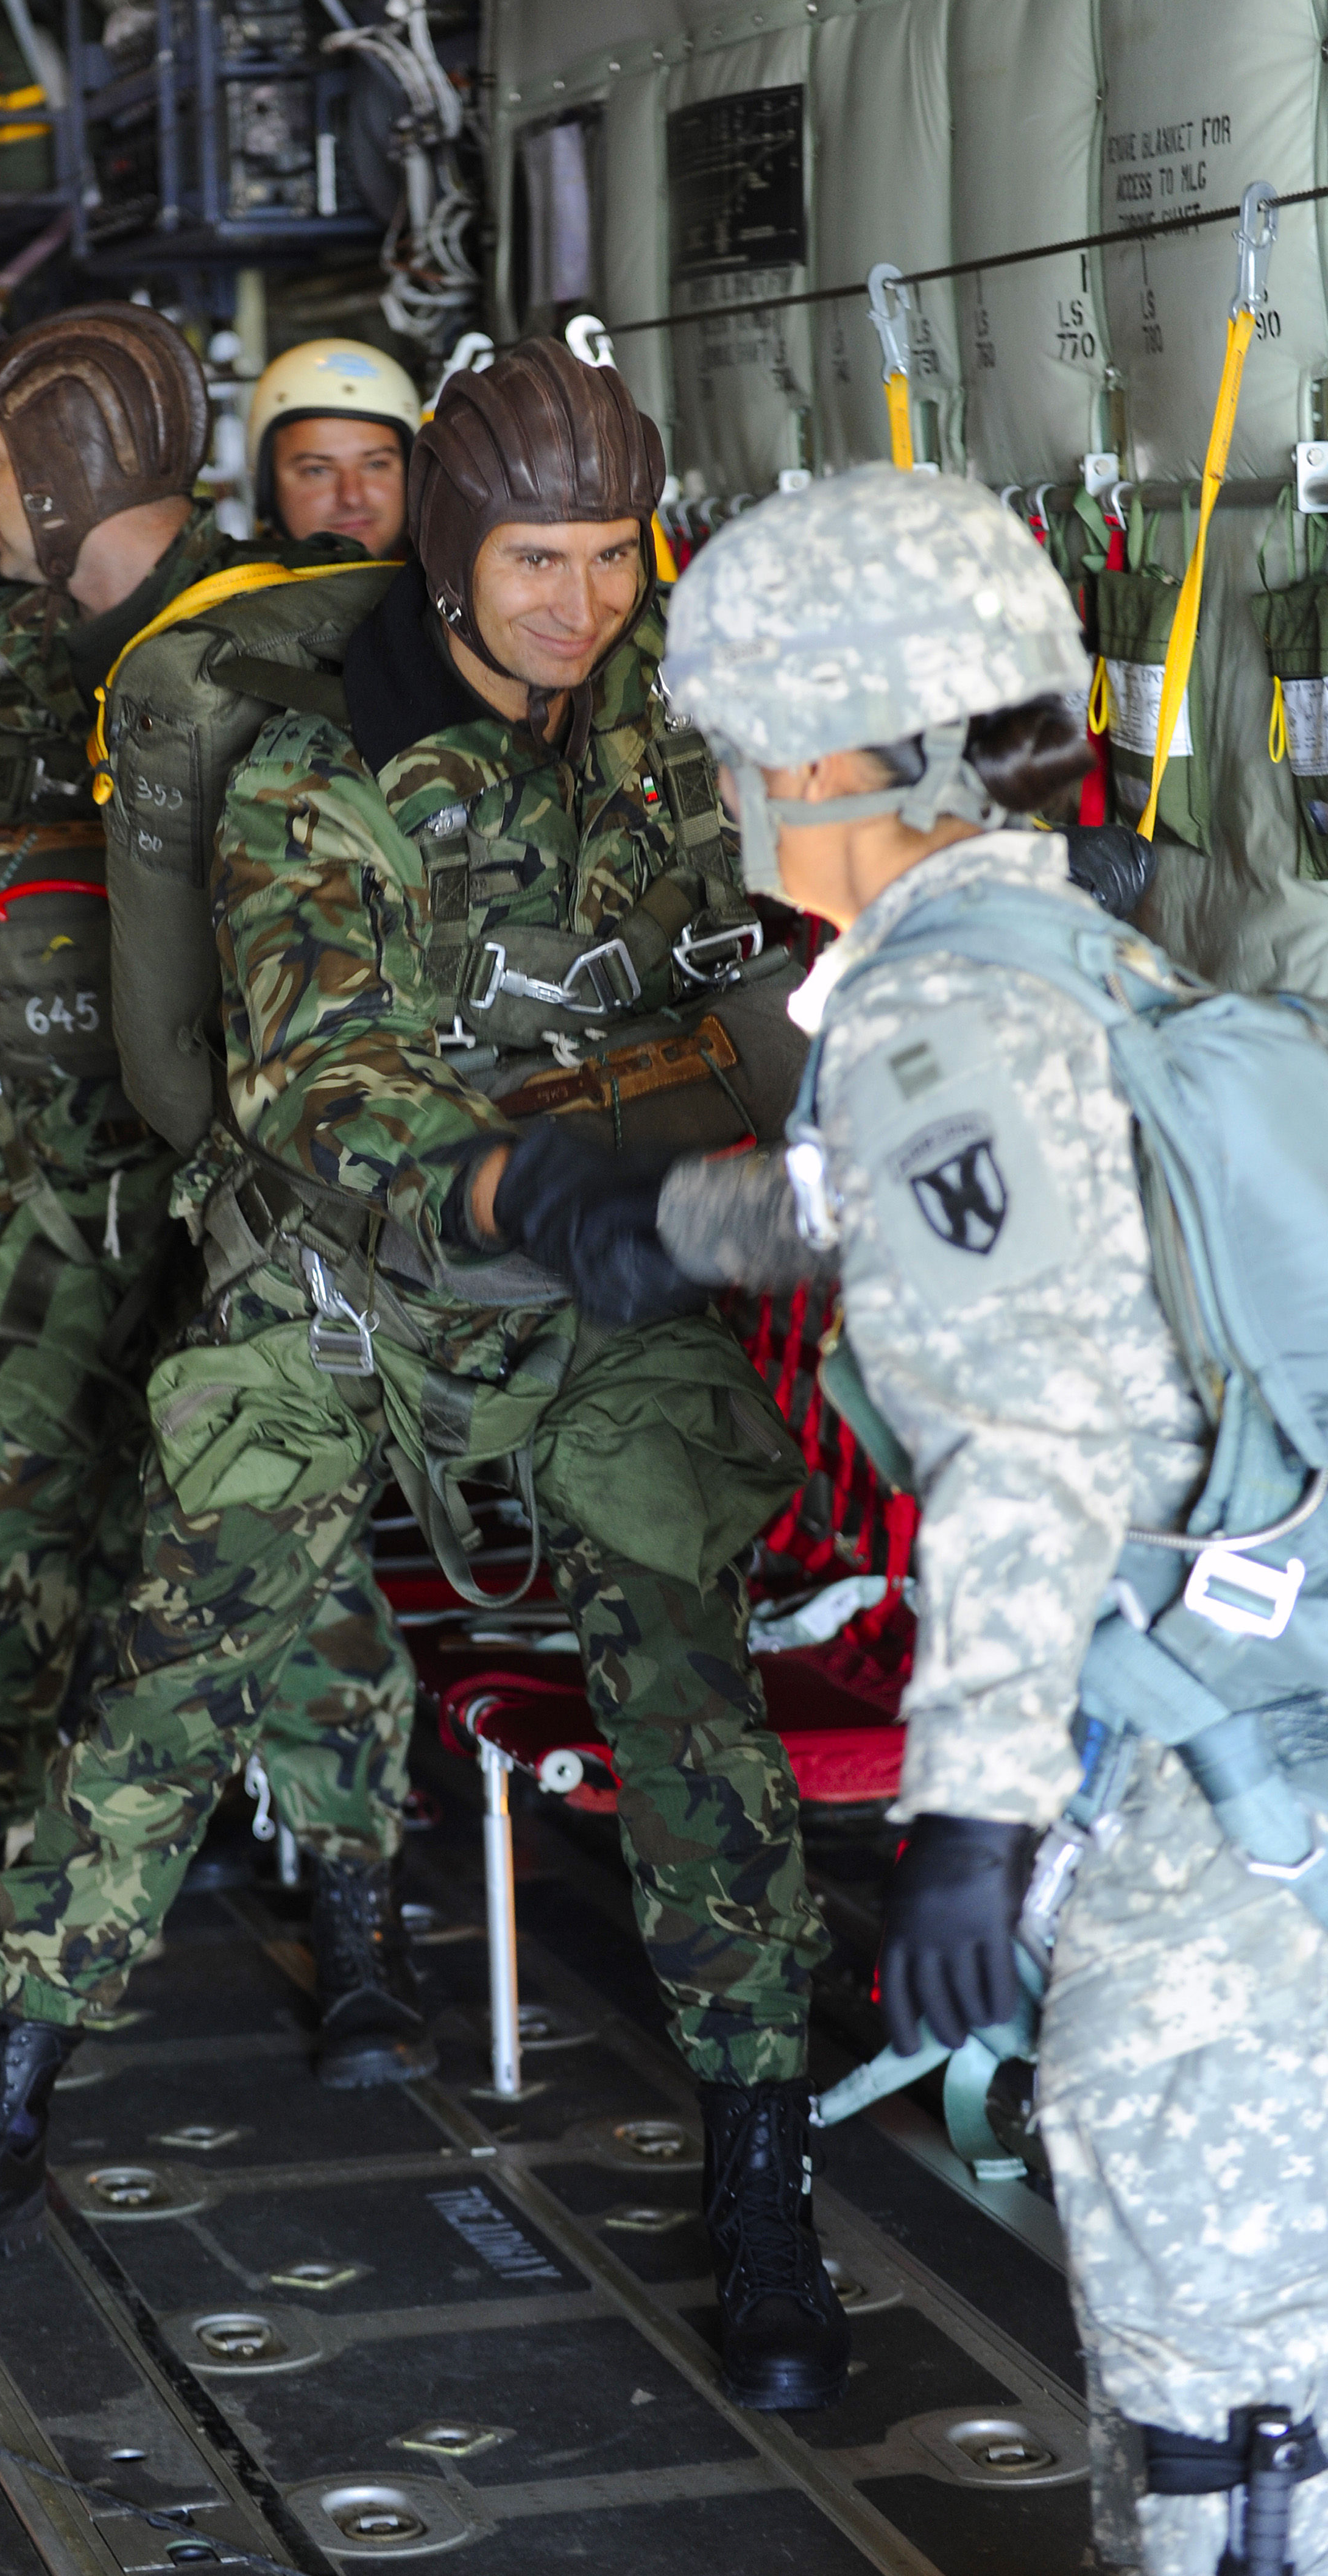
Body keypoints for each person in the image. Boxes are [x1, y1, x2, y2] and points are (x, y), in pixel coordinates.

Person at [0, 340, 846, 2430]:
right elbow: (327, 1078)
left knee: (686, 1674)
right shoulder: (313, 763)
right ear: (453, 555)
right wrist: (528, 1170)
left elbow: (730, 963)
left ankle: (766, 2167)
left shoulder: (658, 728)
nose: (575, 604)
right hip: (352, 1274)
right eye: (535, 561)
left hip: (595, 1285)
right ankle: (3, 2096)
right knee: (165, 1660)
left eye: (606, 558)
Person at [643, 463, 1328, 2576]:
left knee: (1226, 2374)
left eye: (746, 743)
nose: (737, 786)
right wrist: (664, 1216)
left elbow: (1025, 1444)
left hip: (1193, 1803)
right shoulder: (1074, 942)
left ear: (841, 749)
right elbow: (981, 1233)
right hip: (1268, 1713)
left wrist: (969, 1818)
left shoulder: (937, 1018)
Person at [0, 304, 423, 2080]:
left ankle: (356, 1908)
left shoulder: (284, 641)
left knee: (285, 1546)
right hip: (39, 1203)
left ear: (59, 477)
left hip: (245, 1200)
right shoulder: (4, 667)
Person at [245, 337, 419, 557]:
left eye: (376, 464)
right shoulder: (218, 590)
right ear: (267, 486)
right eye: (317, 470)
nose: (352, 498)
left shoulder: (463, 586)